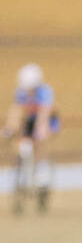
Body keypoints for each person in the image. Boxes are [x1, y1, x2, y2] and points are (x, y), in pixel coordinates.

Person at [1, 63, 61, 202]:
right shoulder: (20, 91)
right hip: (30, 119)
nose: (28, 91)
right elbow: (16, 110)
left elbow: (44, 113)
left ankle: (42, 169)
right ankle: (23, 171)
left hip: (47, 118)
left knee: (41, 139)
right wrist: (10, 128)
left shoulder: (45, 92)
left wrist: (41, 131)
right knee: (20, 139)